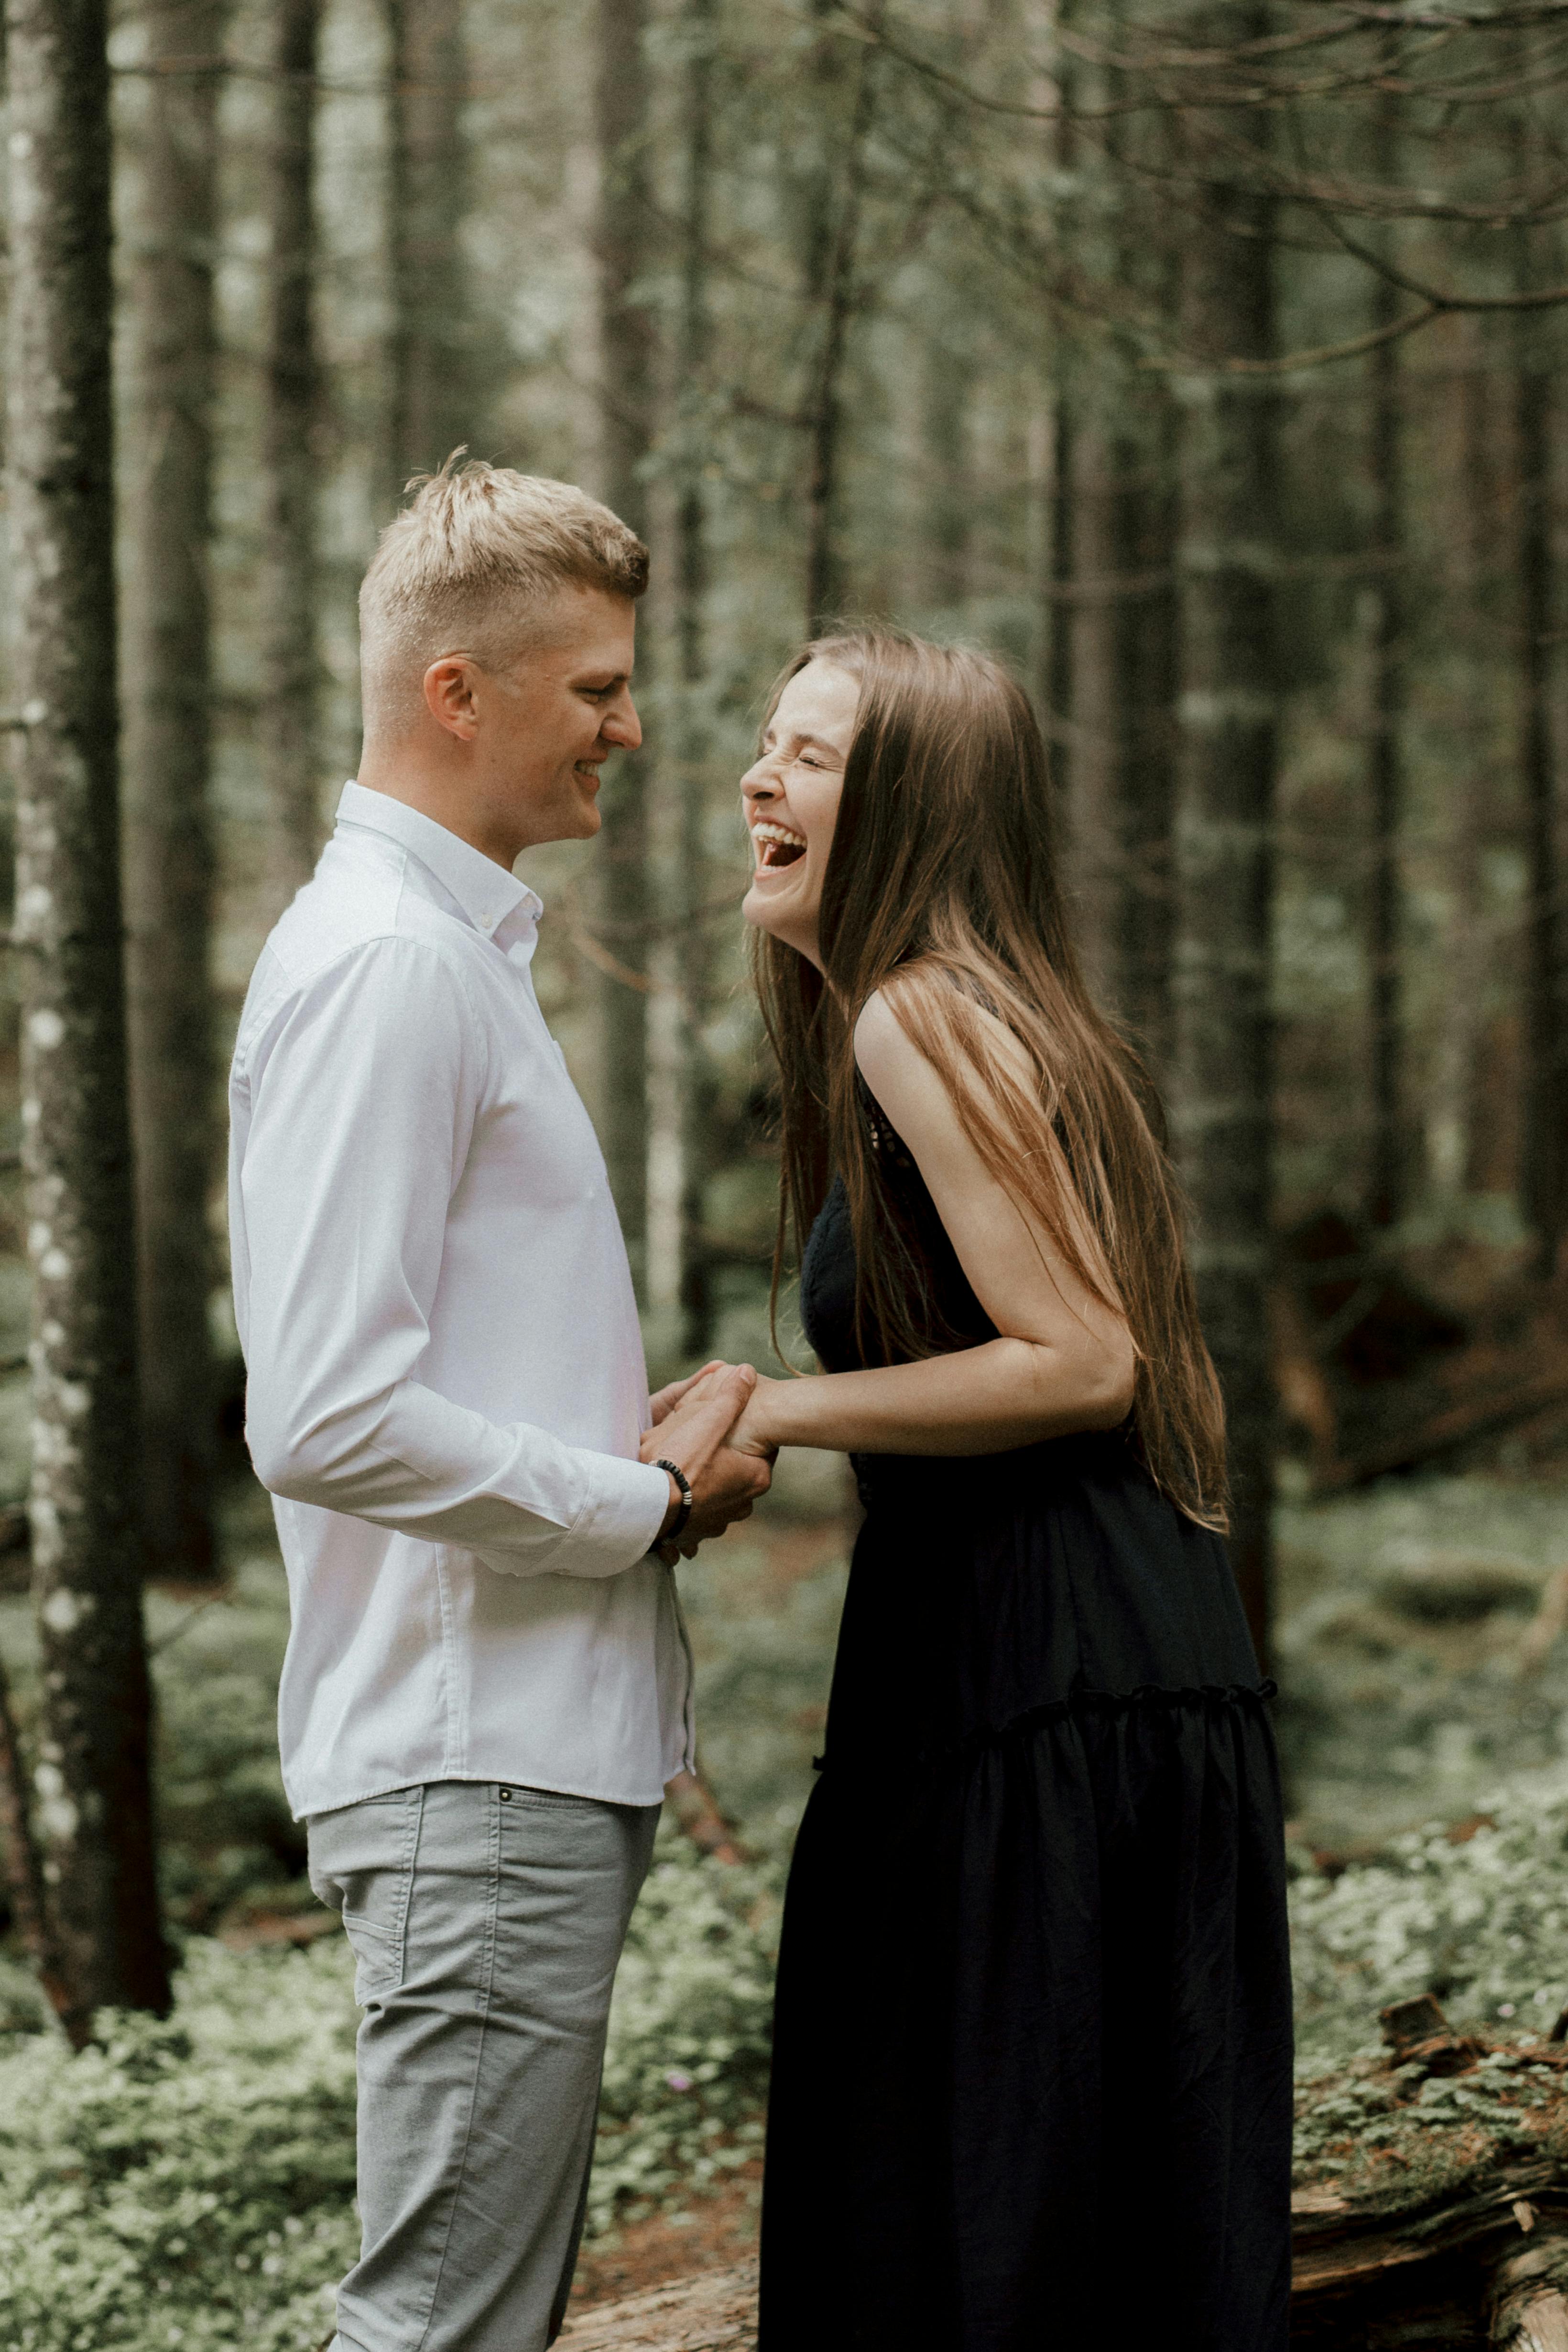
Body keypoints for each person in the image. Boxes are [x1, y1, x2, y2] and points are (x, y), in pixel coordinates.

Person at [675, 627, 1294, 2349]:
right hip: (1089, 1662)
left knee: (990, 2228)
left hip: (1042, 1685)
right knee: (1085, 2226)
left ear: (916, 810)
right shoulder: (990, 1012)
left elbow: (1087, 1359)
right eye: (765, 740)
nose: (756, 779)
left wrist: (781, 1406)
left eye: (807, 755)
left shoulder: (917, 1013)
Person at [228, 457, 769, 2352]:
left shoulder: (446, 957)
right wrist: (634, 1503)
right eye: (599, 686)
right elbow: (321, 1412)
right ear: (458, 693)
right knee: (444, 2331)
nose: (632, 726)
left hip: (510, 1751)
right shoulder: (391, 973)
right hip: (473, 1760)